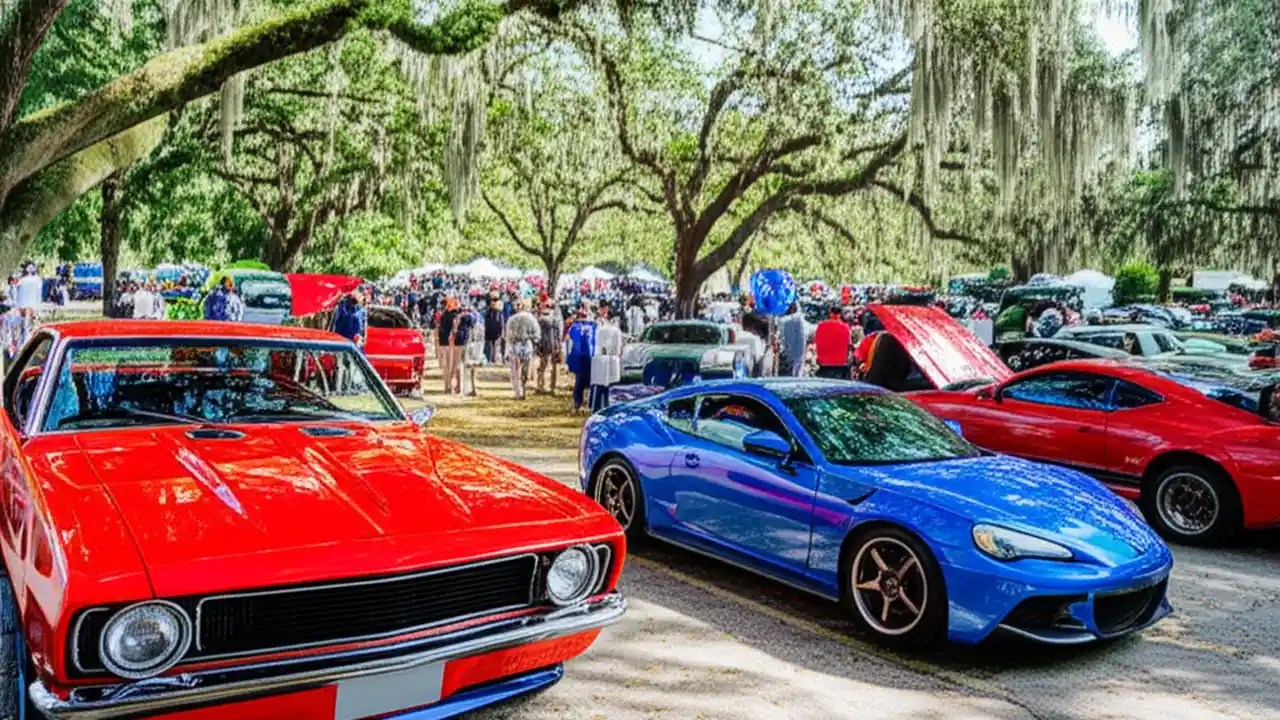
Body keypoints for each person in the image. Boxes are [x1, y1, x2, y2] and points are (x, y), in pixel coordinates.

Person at [504, 300, 540, 400]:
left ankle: (519, 390)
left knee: (517, 369)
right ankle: (521, 390)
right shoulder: (530, 318)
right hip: (524, 344)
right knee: (523, 369)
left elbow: (507, 334)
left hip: (517, 344)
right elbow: (537, 333)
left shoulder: (512, 319)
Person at [590, 307, 623, 411]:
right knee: (610, 389)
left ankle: (596, 409)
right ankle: (607, 409)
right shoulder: (616, 331)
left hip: (600, 360)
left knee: (598, 388)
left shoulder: (601, 329)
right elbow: (617, 349)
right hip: (611, 360)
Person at [566, 307, 597, 413]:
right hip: (591, 358)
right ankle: (588, 403)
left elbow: (569, 344)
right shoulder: (594, 327)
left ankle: (577, 404)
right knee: (591, 381)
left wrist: (568, 358)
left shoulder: (574, 327)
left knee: (579, 381)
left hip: (578, 357)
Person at [813, 305, 853, 379]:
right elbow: (849, 346)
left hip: (823, 364)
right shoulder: (845, 327)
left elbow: (816, 342)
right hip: (840, 365)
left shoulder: (821, 325)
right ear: (840, 315)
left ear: (830, 314)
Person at [535, 300, 564, 395]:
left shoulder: (540, 318)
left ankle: (541, 385)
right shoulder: (557, 319)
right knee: (554, 367)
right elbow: (560, 332)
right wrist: (559, 345)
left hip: (544, 344)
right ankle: (552, 387)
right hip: (554, 344)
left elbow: (538, 333)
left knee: (542, 366)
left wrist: (538, 345)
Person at [437, 297, 463, 394]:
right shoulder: (447, 315)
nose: (443, 306)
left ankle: (449, 386)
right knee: (449, 366)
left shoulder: (451, 315)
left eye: (445, 304)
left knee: (450, 366)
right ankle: (449, 386)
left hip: (449, 343)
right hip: (448, 343)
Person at [778, 302, 807, 377]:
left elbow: (781, 336)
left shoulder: (782, 320)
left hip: (786, 353)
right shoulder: (801, 320)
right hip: (799, 353)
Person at [483, 299, 504, 364]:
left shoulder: (498, 312)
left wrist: (501, 332)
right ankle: (490, 359)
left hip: (495, 332)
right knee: (490, 346)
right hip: (489, 332)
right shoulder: (488, 312)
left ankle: (493, 359)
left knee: (494, 346)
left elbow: (501, 323)